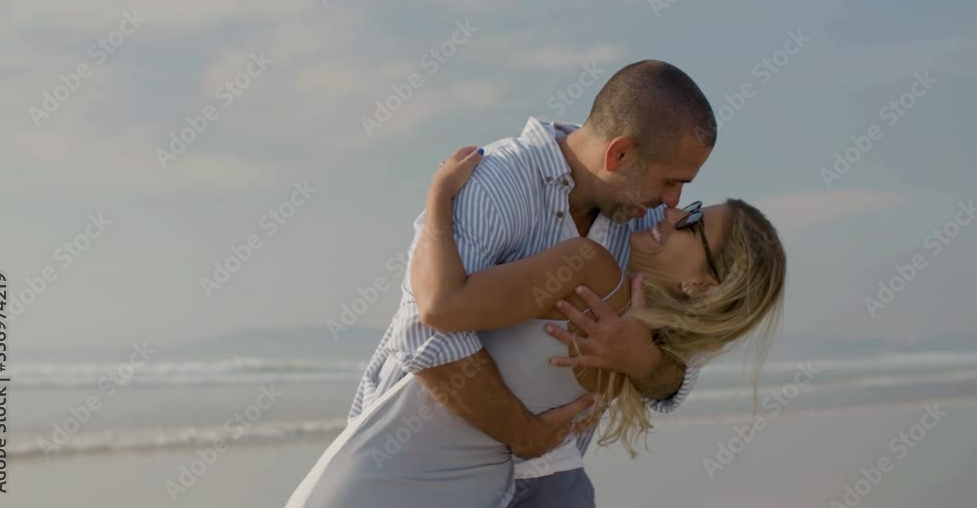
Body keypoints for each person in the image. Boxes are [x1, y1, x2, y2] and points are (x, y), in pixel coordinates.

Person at [284, 142, 786, 508]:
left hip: (382, 481)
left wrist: (436, 202)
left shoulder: (592, 271)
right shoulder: (647, 344)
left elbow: (436, 308)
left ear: (703, 287)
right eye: (688, 202)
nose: (675, 210)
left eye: (693, 221)